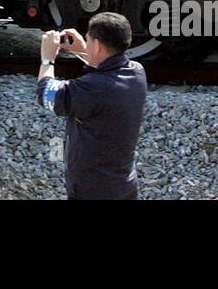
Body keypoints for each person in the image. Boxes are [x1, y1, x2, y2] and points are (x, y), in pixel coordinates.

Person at [37, 12, 147, 199]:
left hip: (93, 189)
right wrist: (82, 50)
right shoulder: (136, 72)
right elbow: (107, 70)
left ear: (97, 45)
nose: (86, 44)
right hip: (123, 185)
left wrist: (47, 59)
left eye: (88, 41)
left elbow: (46, 94)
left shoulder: (92, 87)